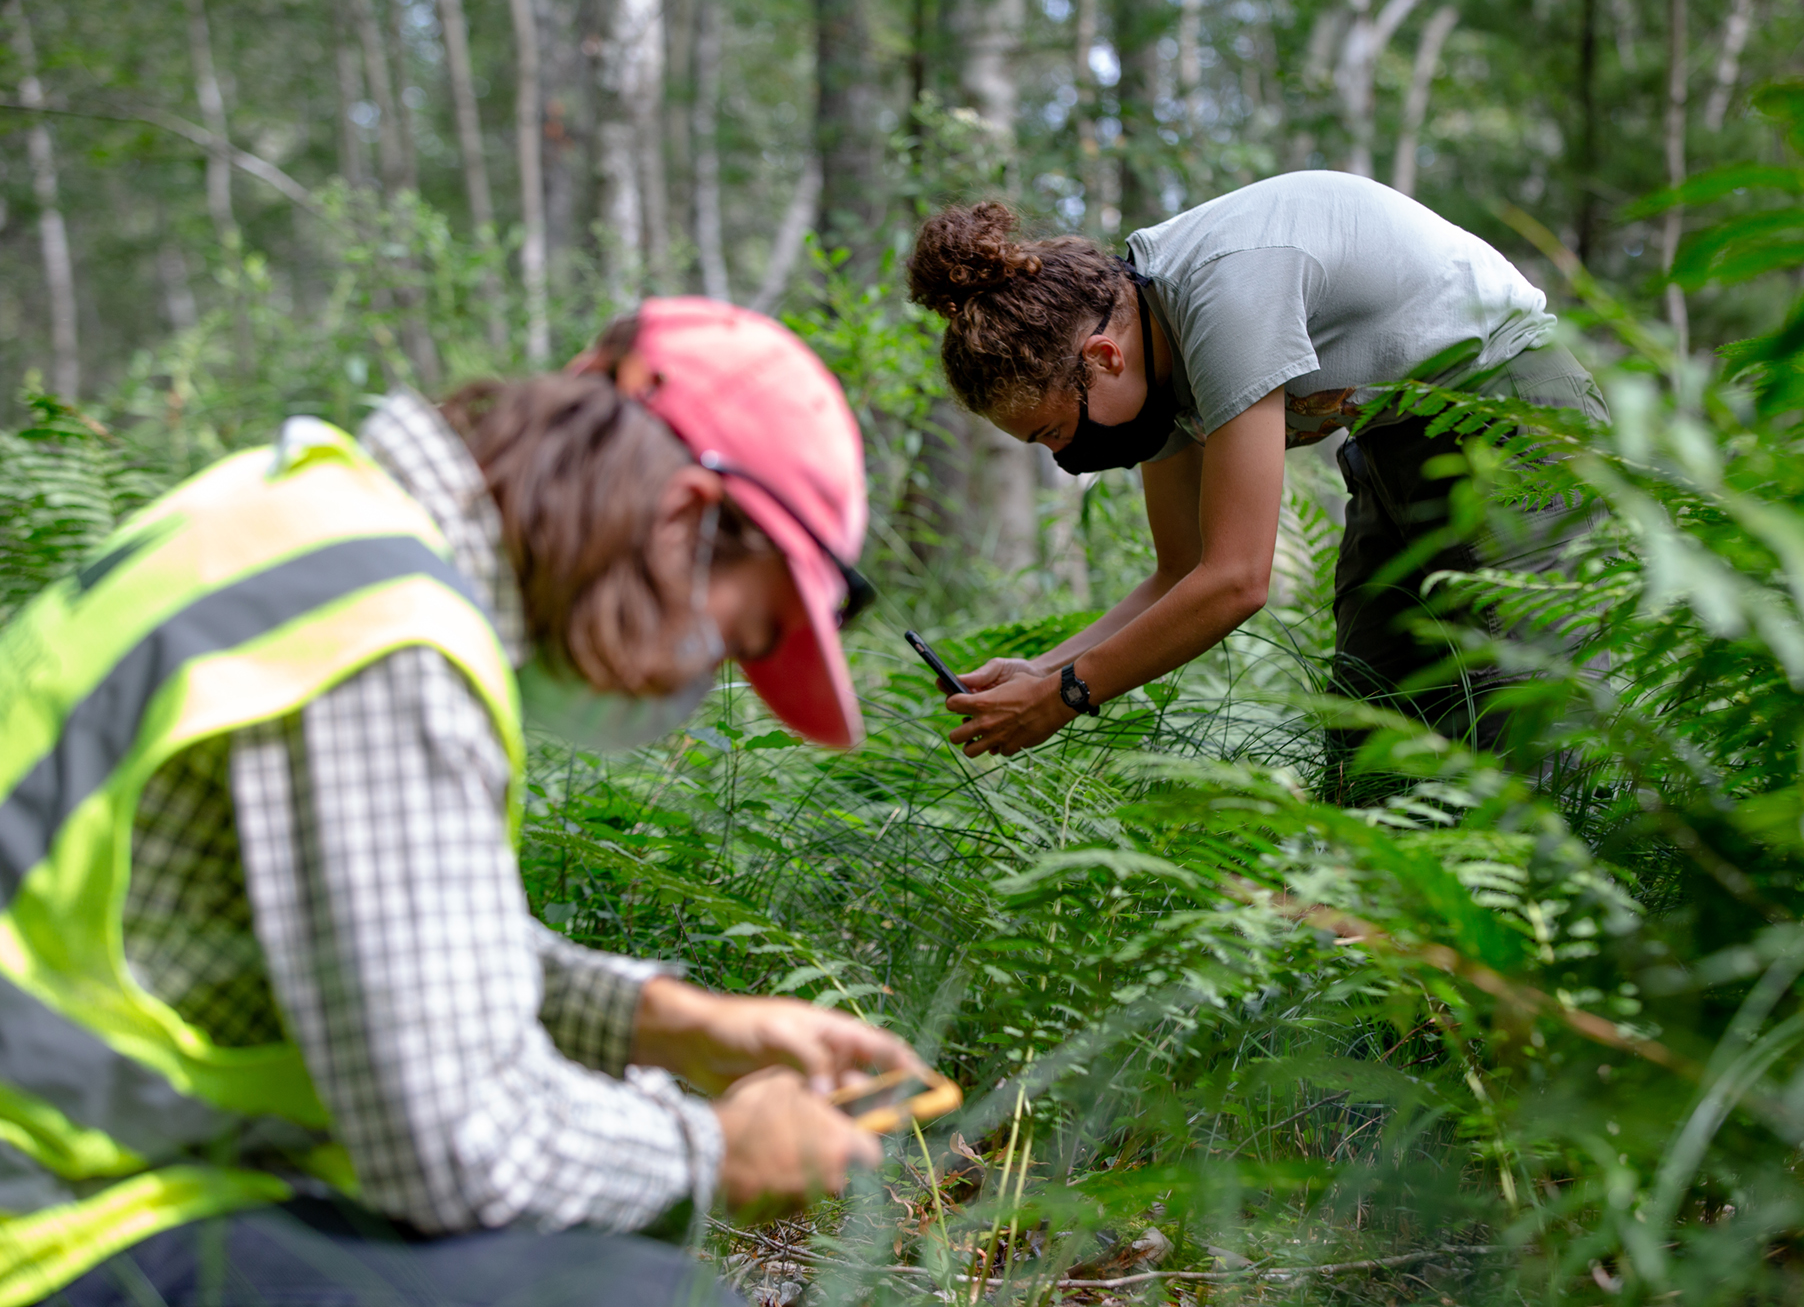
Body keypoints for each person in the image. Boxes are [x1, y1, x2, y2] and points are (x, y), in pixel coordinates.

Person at [1, 298, 917, 1306]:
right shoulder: (386, 636)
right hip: (46, 1222)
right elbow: (458, 1150)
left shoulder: (308, 526)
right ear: (680, 520)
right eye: (736, 639)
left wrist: (664, 1022)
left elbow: (376, 936)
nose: (699, 684)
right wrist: (716, 1149)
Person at [905, 171, 1607, 764]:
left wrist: (1067, 695)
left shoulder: (1220, 299)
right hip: (1396, 442)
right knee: (1376, 720)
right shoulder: (1151, 350)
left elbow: (1237, 579)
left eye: (1056, 431)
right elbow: (1183, 569)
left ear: (1101, 359)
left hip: (1512, 414)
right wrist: (1044, 667)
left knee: (1530, 709)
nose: (1066, 457)